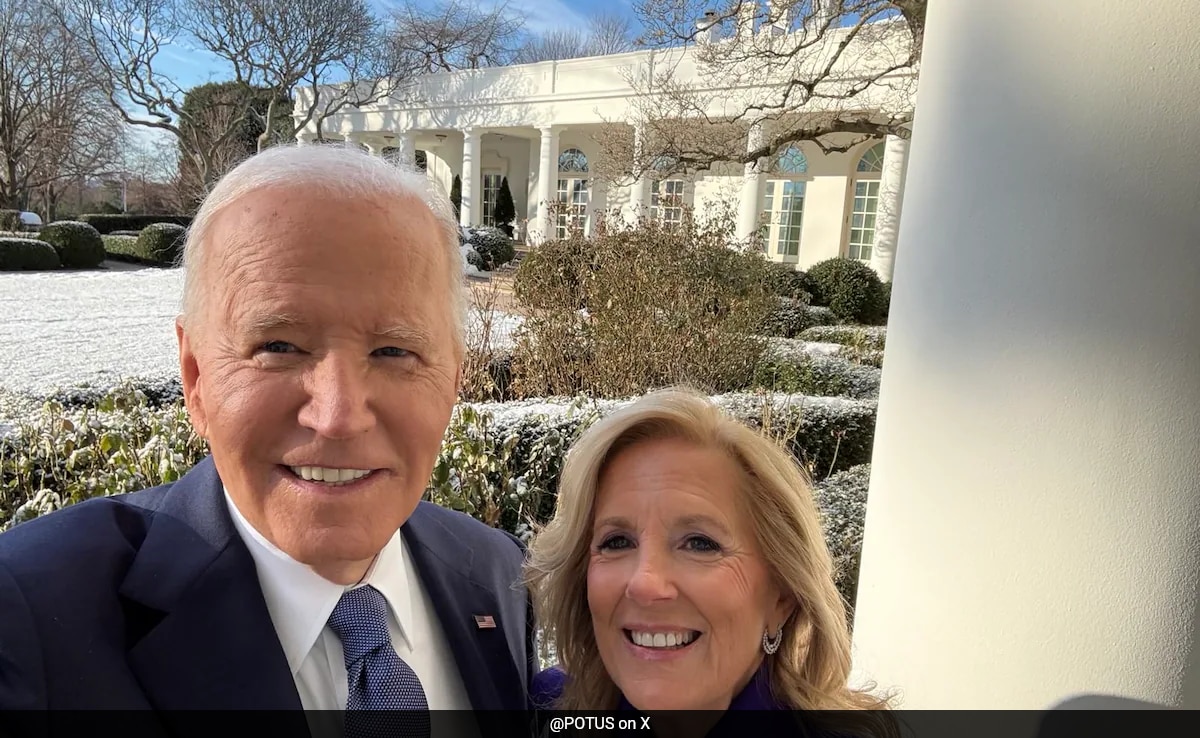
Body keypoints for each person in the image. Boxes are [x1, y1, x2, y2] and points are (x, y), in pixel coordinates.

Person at [0, 145, 536, 726]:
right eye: (278, 347)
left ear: (453, 380)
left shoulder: (495, 572)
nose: (336, 416)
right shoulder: (28, 617)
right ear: (196, 377)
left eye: (394, 351)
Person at [525, 388, 895, 737]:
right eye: (616, 541)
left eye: (700, 544)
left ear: (781, 597)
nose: (645, 583)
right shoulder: (547, 713)